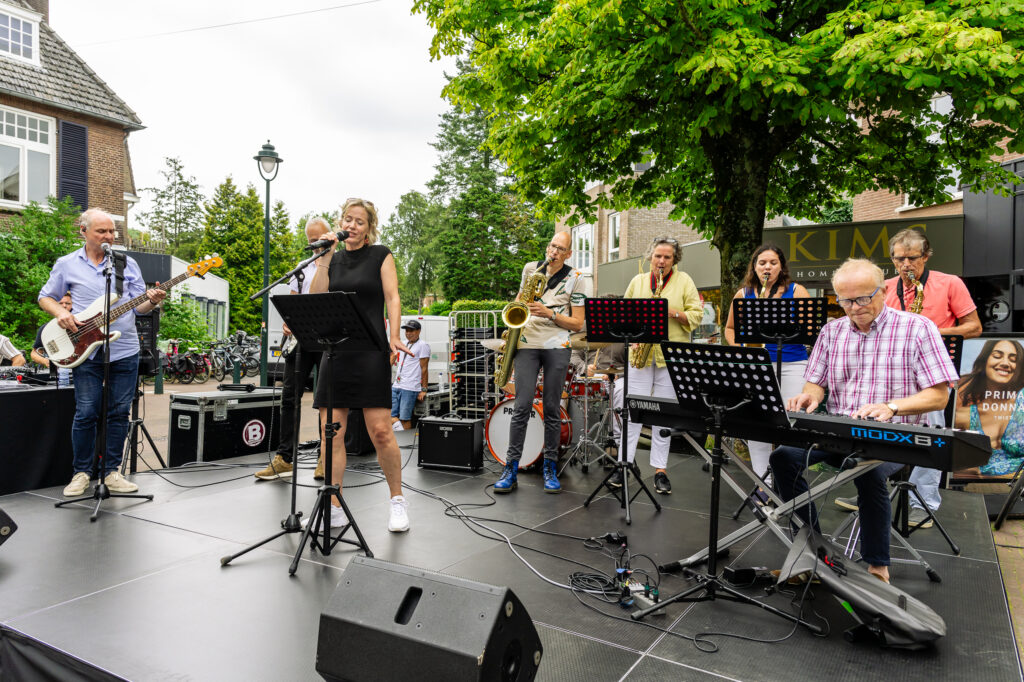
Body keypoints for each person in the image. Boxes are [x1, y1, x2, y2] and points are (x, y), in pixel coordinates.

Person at [770, 258, 958, 584]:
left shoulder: (918, 328)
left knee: (866, 468)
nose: (854, 308)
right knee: (782, 457)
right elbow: (815, 382)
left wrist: (892, 407)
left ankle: (877, 568)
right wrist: (811, 397)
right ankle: (813, 552)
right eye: (845, 300)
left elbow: (939, 396)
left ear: (883, 291)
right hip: (842, 429)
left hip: (897, 437)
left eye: (862, 298)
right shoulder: (831, 331)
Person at [836, 228, 981, 526]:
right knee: (876, 431)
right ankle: (870, 489)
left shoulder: (950, 283)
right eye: (899, 258)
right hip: (890, 370)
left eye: (912, 258)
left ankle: (923, 503)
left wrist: (929, 331)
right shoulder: (884, 287)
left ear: (926, 256)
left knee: (930, 434)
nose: (905, 265)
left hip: (932, 372)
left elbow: (974, 327)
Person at [39, 209, 166, 497]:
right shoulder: (67, 264)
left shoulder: (126, 263)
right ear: (83, 231)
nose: (109, 236)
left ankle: (111, 473)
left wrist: (153, 301)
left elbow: (137, 307)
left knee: (119, 413)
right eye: (102, 232)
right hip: (84, 349)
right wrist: (60, 313)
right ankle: (82, 473)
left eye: (112, 231)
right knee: (86, 412)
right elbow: (45, 297)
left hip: (125, 349)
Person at [308, 198, 412, 532]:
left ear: (369, 229)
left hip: (370, 351)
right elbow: (315, 299)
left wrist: (394, 335)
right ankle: (334, 504)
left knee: (381, 431)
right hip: (335, 352)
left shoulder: (380, 255)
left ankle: (397, 500)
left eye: (359, 221)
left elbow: (393, 297)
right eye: (347, 219)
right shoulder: (332, 259)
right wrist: (323, 261)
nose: (352, 225)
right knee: (331, 435)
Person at [494, 231, 588, 494]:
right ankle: (510, 467)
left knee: (551, 407)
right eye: (551, 246)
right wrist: (518, 304)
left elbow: (577, 323)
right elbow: (518, 301)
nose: (553, 252)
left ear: (568, 254)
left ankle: (550, 466)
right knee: (521, 405)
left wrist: (549, 314)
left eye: (560, 249)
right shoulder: (530, 269)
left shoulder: (577, 279)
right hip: (526, 344)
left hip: (557, 346)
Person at [615, 236, 704, 494]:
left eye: (667, 257)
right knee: (632, 410)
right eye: (658, 256)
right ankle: (625, 463)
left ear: (674, 259)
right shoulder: (638, 281)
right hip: (640, 355)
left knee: (664, 416)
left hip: (670, 356)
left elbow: (697, 315)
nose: (662, 261)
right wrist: (629, 340)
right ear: (650, 257)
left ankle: (660, 470)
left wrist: (671, 312)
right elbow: (623, 315)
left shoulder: (684, 280)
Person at [724, 244, 810, 497]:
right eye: (762, 263)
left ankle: (787, 483)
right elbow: (730, 328)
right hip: (757, 364)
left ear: (781, 266)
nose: (767, 267)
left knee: (790, 423)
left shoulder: (797, 291)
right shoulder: (744, 294)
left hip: (793, 363)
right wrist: (742, 348)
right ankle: (763, 484)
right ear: (754, 266)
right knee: (758, 424)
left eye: (773, 262)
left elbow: (808, 328)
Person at [254, 218, 330, 481]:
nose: (315, 244)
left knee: (326, 401)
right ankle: (285, 457)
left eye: (319, 239)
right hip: (302, 338)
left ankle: (325, 456)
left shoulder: (339, 264)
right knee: (289, 396)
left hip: (329, 338)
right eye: (311, 240)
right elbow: (294, 303)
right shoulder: (301, 268)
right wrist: (289, 322)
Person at [953, 339, 1024, 477]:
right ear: (984, 361)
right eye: (997, 356)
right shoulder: (964, 413)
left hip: (1017, 490)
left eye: (1013, 359)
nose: (1005, 363)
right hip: (973, 490)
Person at [391, 319, 430, 431]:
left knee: (404, 419)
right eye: (407, 330)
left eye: (411, 330)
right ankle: (399, 438)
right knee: (390, 416)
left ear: (418, 331)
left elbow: (424, 368)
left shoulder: (423, 345)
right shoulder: (403, 343)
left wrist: (423, 389)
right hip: (397, 385)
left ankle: (406, 444)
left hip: (410, 387)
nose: (408, 333)